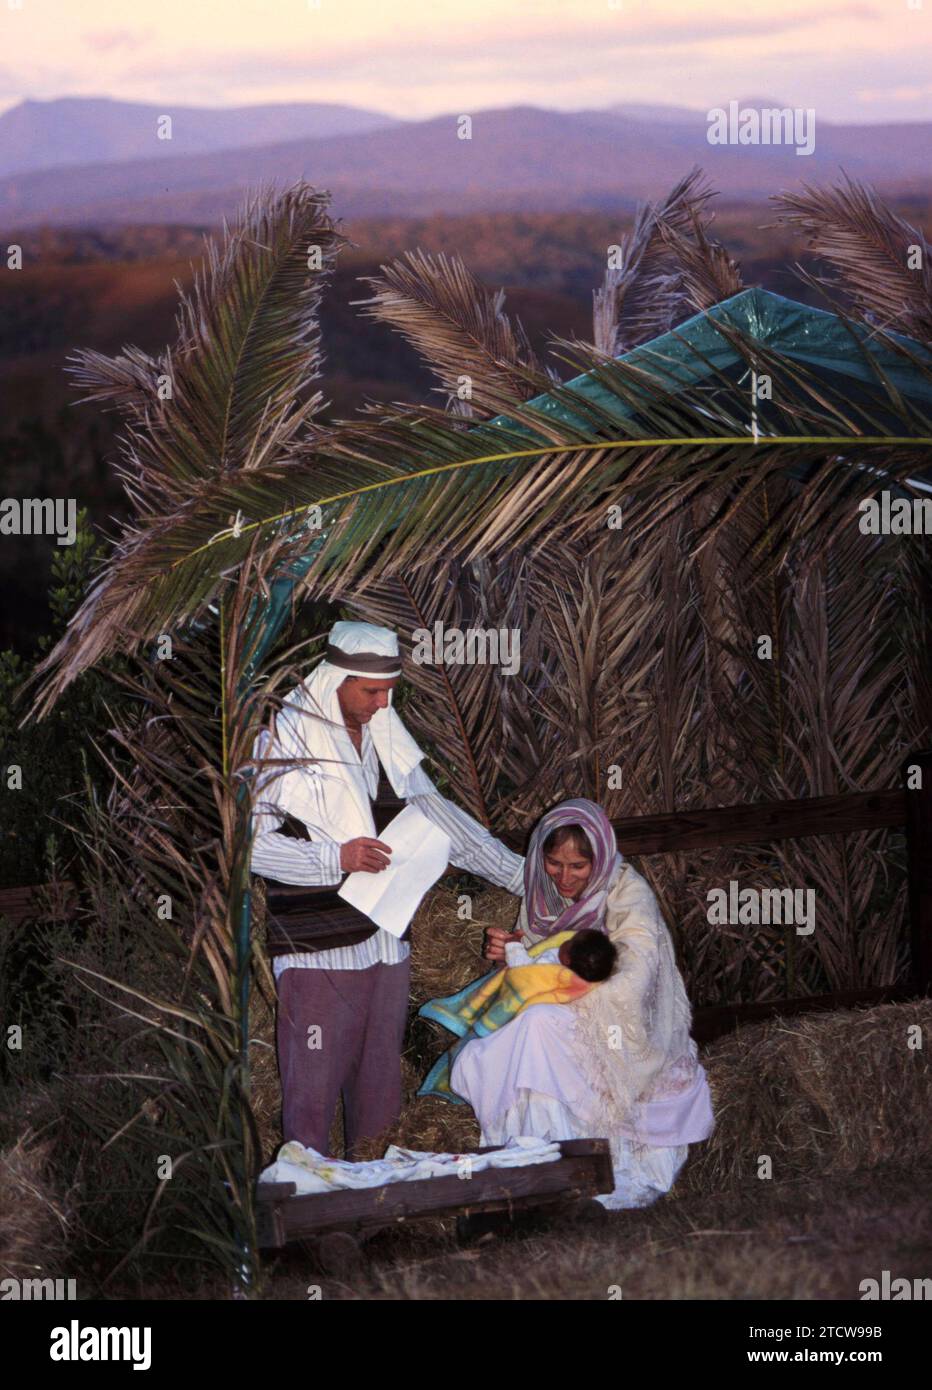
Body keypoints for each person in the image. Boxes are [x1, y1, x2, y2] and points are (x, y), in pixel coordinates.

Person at [248, 620, 524, 1157]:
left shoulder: (385, 741)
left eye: (389, 690)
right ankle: (310, 1219)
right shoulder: (279, 745)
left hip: (386, 945)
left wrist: (524, 874)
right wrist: (336, 858)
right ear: (335, 678)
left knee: (379, 1093)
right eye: (371, 690)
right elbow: (249, 848)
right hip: (317, 953)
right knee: (311, 1095)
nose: (381, 702)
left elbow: (446, 824)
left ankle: (375, 1219)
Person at [448, 798, 715, 1209]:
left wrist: (576, 989)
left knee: (536, 1026)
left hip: (614, 1016)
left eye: (578, 866)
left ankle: (569, 1163)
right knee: (523, 1029)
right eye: (554, 863)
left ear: (600, 858)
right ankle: (534, 1163)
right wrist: (512, 951)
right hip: (558, 1003)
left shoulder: (628, 891)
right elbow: (542, 952)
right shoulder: (541, 892)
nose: (564, 877)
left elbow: (638, 967)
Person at [505, 927, 617, 982]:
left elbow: (520, 968)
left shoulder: (547, 965)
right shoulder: (577, 975)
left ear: (567, 959)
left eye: (571, 940)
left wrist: (514, 944)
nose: (567, 939)